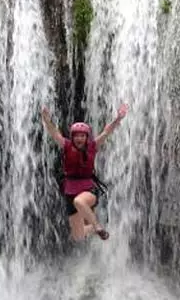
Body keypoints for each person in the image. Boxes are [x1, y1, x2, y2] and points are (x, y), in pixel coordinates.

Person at [40, 103, 129, 242]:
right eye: (76, 136)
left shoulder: (93, 146)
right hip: (70, 190)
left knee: (79, 201)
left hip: (88, 189)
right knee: (78, 236)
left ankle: (98, 226)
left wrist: (118, 119)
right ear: (72, 137)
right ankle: (94, 228)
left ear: (87, 138)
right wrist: (46, 119)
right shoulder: (67, 146)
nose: (79, 138)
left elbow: (106, 132)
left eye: (82, 136)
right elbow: (54, 133)